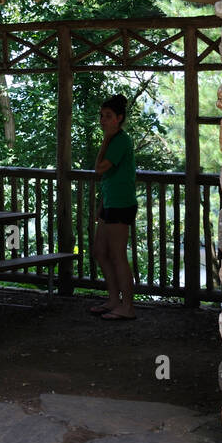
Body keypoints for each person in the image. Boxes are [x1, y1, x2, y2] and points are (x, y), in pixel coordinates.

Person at [89, 94, 138, 321]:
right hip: (109, 203)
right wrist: (101, 205)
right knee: (100, 251)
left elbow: (100, 168)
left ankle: (127, 307)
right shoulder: (113, 139)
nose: (103, 120)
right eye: (101, 116)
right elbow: (107, 178)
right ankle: (113, 300)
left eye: (108, 116)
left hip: (121, 204)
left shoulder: (120, 140)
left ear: (119, 118)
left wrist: (106, 140)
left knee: (118, 255)